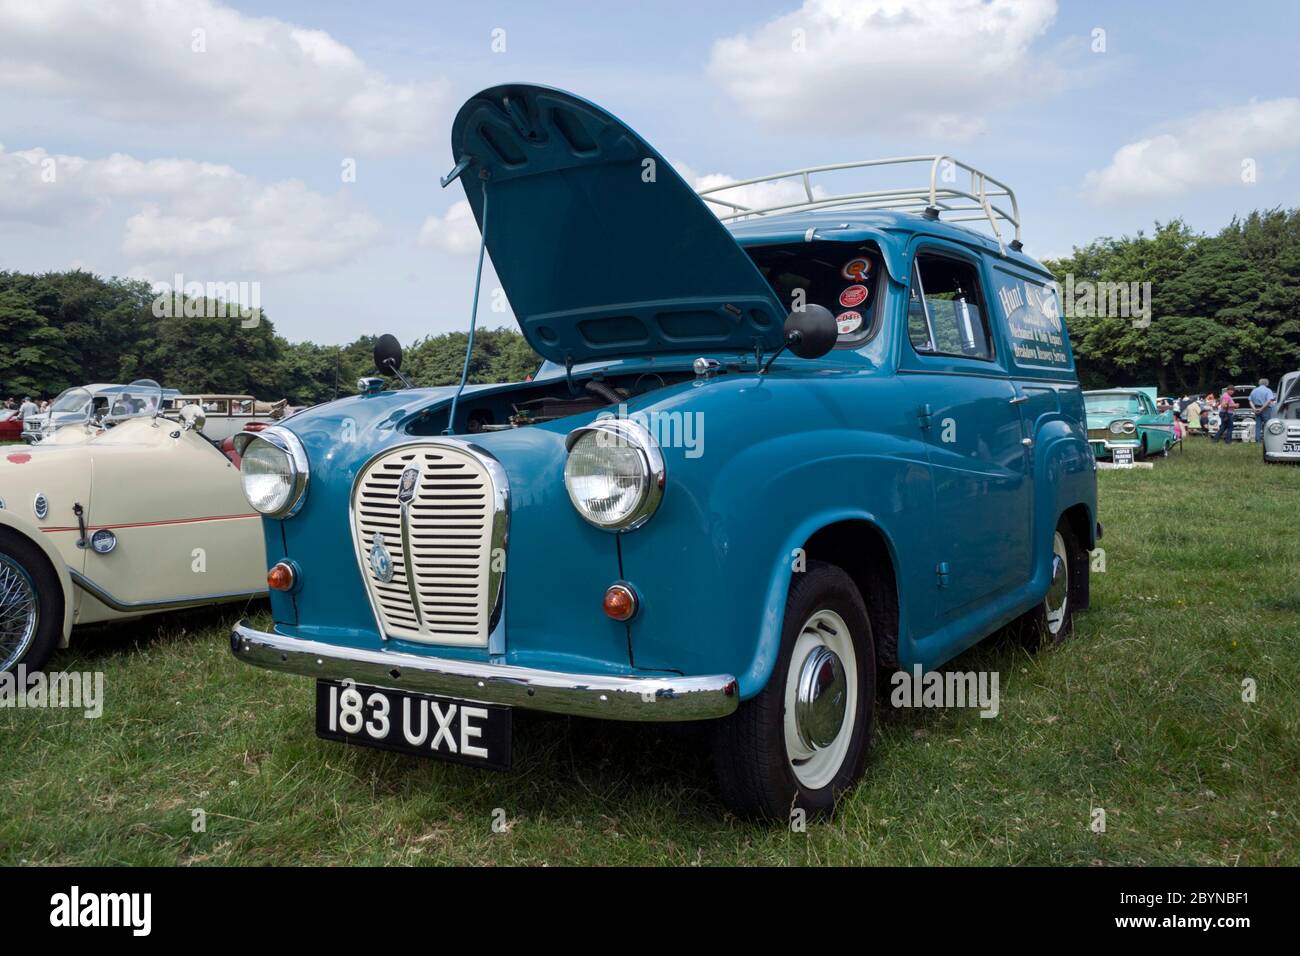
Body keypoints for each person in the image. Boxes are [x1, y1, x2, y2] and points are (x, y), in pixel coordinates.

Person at [1249, 377, 1276, 442]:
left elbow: (1250, 400)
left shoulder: (1254, 390)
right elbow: (1268, 401)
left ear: (1259, 383)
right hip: (1266, 409)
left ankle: (1258, 440)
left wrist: (1254, 409)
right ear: (1267, 383)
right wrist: (1261, 409)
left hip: (1257, 408)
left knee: (1258, 425)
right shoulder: (1268, 390)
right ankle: (1268, 440)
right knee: (1267, 424)